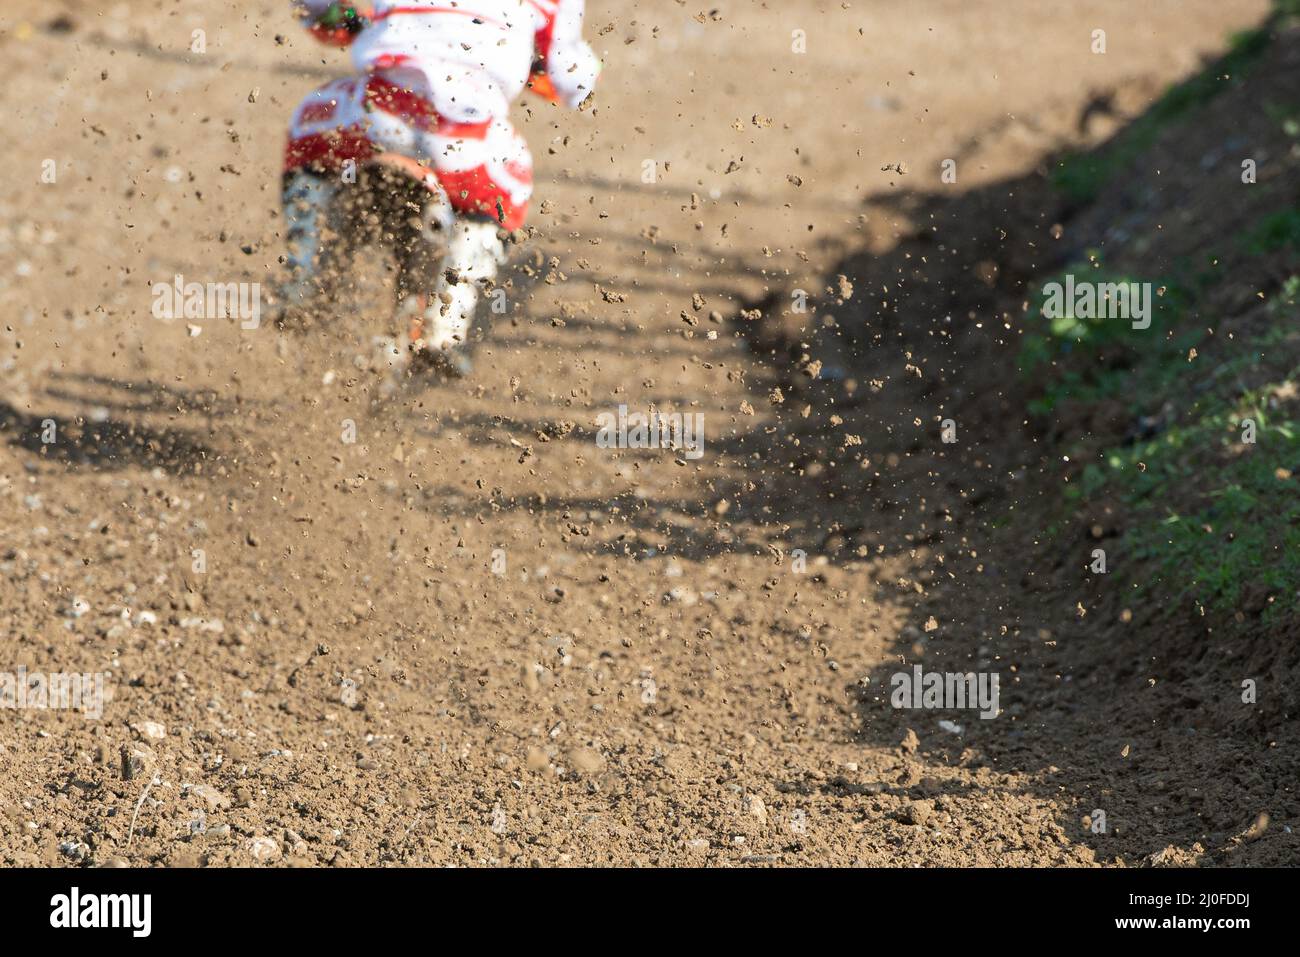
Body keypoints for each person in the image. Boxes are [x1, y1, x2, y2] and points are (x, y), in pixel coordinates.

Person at [278, 1, 600, 378]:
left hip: (376, 119)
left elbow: (318, 10)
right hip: (463, 145)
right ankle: (446, 325)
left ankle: (305, 273)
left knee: (310, 119)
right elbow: (574, 81)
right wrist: (536, 62)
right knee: (509, 181)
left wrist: (349, 20)